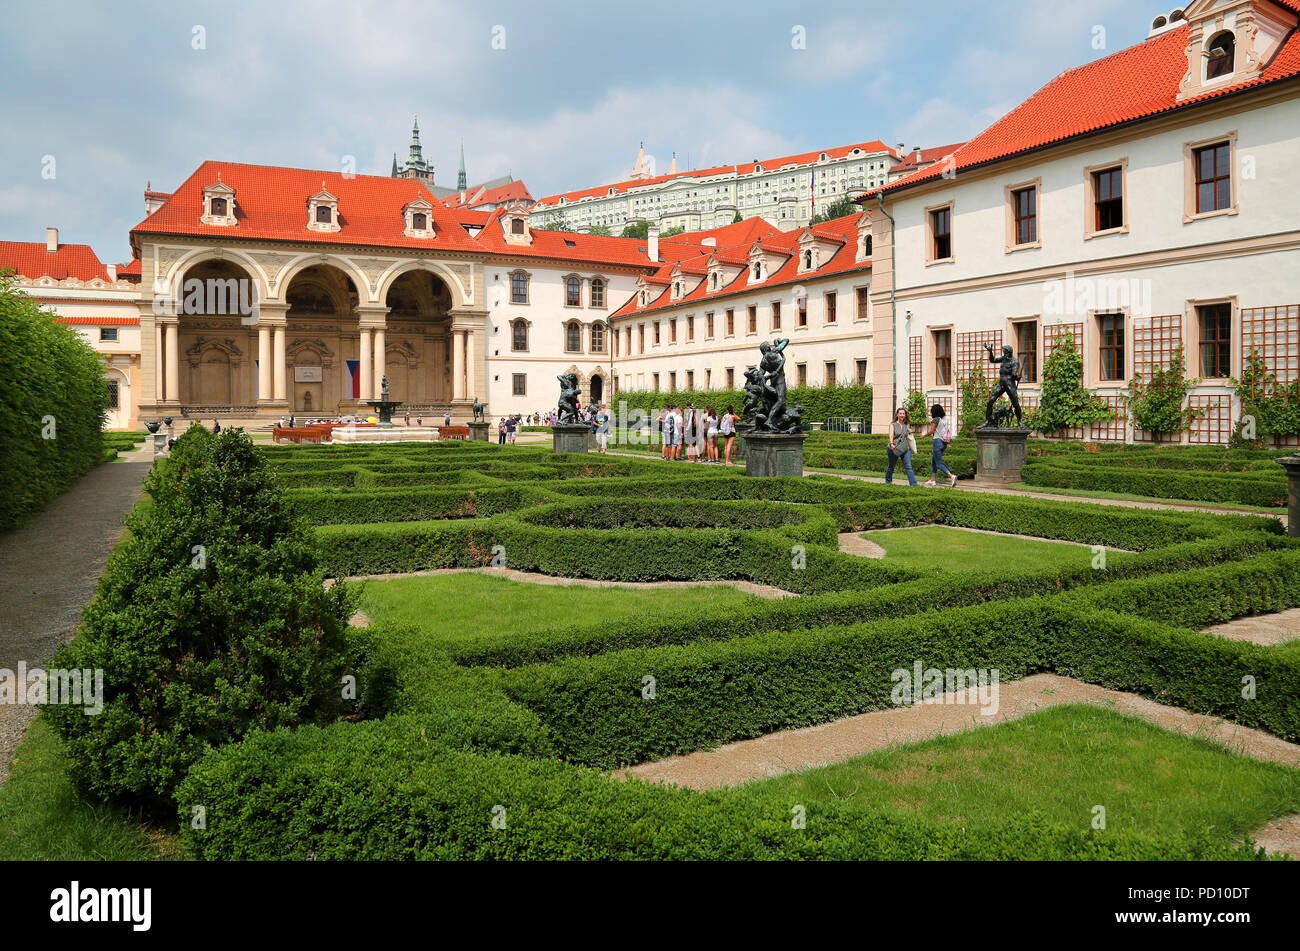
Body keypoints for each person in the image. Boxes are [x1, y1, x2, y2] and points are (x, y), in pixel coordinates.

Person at [923, 404, 957, 488]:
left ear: (934, 411)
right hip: (944, 443)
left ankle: (951, 476)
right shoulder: (944, 420)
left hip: (937, 442)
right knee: (934, 461)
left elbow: (931, 431)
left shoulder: (935, 420)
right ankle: (932, 480)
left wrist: (923, 436)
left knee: (938, 463)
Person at [885, 407, 918, 486]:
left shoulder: (906, 425)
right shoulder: (892, 424)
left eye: (903, 413)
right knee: (891, 467)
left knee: (908, 467)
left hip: (905, 448)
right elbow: (891, 435)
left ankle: (914, 485)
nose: (902, 415)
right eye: (900, 413)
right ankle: (888, 482)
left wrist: (910, 432)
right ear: (897, 414)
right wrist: (891, 443)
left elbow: (908, 437)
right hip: (895, 448)